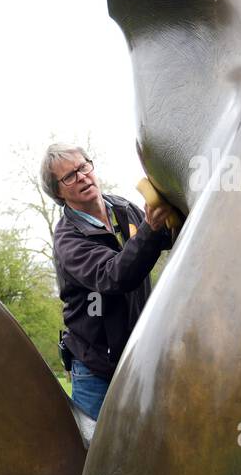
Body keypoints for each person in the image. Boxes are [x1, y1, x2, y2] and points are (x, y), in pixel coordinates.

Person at [43, 143, 173, 420]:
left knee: (147, 450)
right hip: (96, 371)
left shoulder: (124, 208)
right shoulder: (68, 238)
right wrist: (149, 230)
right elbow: (113, 276)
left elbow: (165, 236)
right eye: (69, 176)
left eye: (83, 167)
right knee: (96, 457)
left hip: (140, 360)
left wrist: (173, 209)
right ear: (58, 192)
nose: (82, 177)